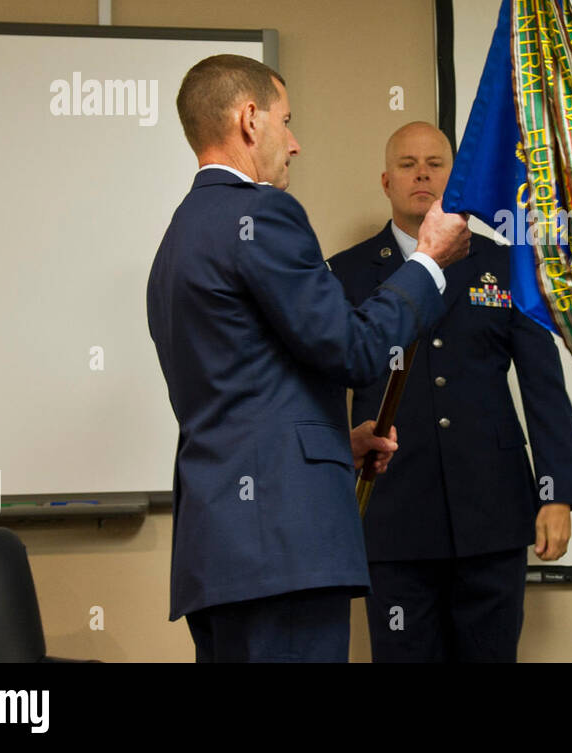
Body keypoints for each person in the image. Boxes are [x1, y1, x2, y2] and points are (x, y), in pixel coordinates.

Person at [146, 55, 469, 662]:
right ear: (249, 120)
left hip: (220, 549)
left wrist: (332, 445)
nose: (294, 144)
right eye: (285, 121)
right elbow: (357, 350)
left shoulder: (179, 234)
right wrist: (425, 262)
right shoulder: (261, 214)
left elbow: (239, 387)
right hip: (283, 550)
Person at [327, 121, 572, 663]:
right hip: (392, 515)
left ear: (456, 178)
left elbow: (544, 386)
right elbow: (325, 391)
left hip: (492, 513)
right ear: (385, 181)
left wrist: (557, 492)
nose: (421, 173)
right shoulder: (345, 273)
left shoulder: (508, 266)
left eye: (434, 163)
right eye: (407, 164)